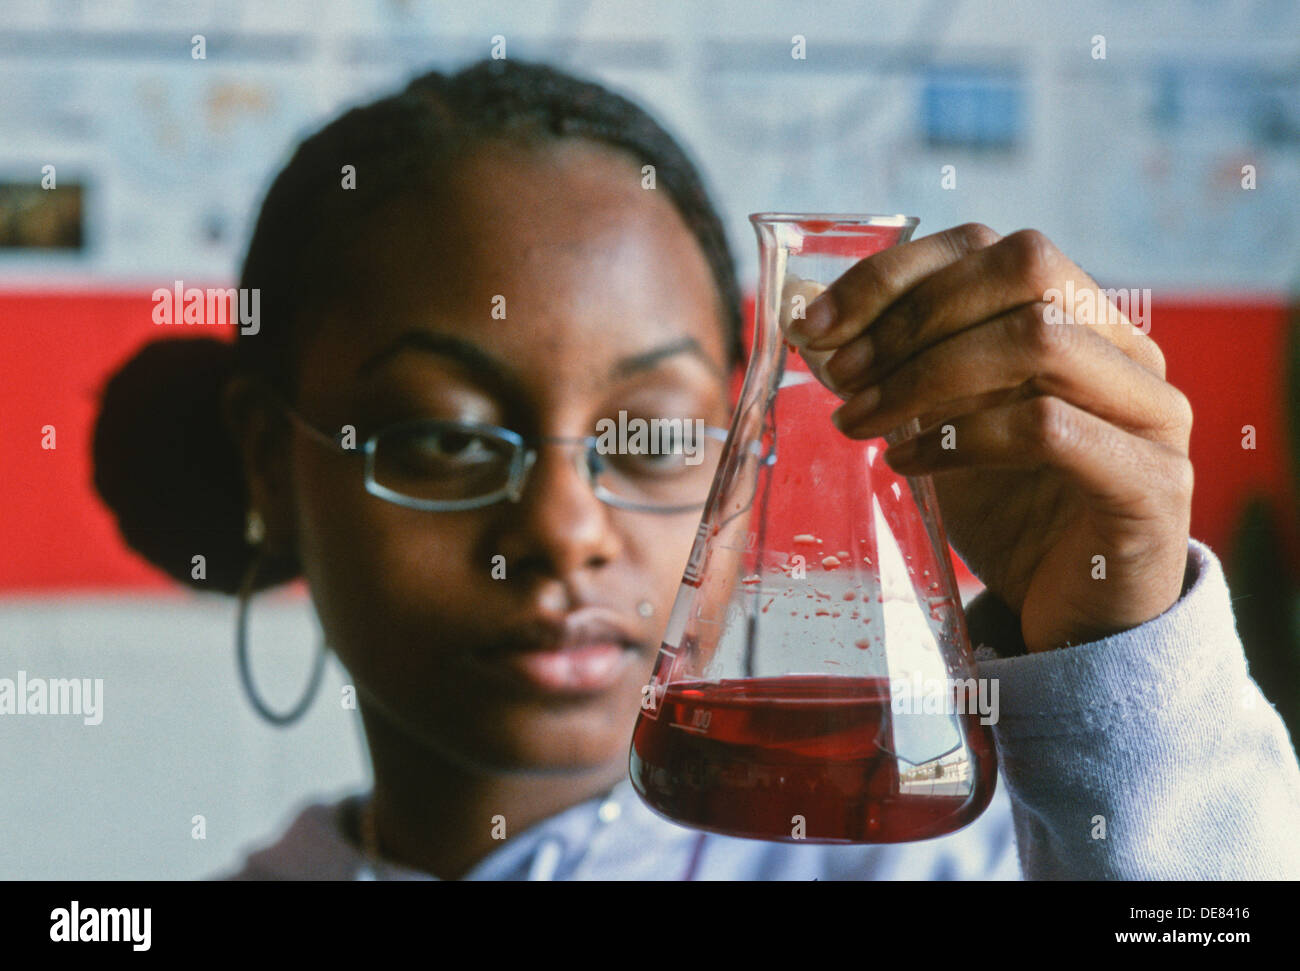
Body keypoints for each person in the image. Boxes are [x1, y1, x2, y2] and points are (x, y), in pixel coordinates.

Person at [92, 58, 1300, 880]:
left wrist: (1118, 665)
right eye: (449, 437)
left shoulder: (970, 853)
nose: (565, 529)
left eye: (655, 436)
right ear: (268, 461)